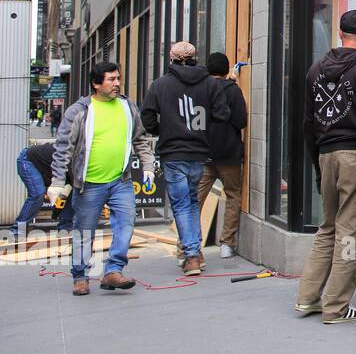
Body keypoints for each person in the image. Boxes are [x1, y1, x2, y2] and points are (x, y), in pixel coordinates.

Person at [297, 10, 356, 324]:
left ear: (339, 32)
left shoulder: (315, 69)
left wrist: (317, 165)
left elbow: (308, 122)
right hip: (355, 156)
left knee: (328, 227)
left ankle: (308, 297)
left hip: (325, 153)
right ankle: (336, 307)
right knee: (350, 232)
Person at [46, 61, 155, 296]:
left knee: (125, 225)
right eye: (111, 79)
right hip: (89, 185)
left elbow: (140, 139)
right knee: (85, 231)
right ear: (96, 84)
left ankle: (113, 271)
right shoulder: (79, 111)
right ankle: (81, 275)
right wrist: (56, 182)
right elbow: (63, 147)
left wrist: (148, 167)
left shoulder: (128, 106)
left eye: (118, 78)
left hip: (120, 181)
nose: (117, 83)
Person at [142, 41, 230, 276]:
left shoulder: (161, 85)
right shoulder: (210, 84)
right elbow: (223, 115)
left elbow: (147, 115)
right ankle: (196, 251)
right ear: (195, 59)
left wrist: (163, 129)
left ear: (171, 60)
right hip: (198, 152)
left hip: (173, 152)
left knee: (182, 205)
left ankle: (191, 254)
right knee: (190, 202)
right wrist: (203, 129)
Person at [194, 53, 248, 260]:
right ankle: (227, 244)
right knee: (233, 195)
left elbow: (196, 123)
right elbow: (240, 120)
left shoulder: (200, 92)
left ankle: (190, 246)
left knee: (194, 200)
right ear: (227, 71)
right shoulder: (233, 91)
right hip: (229, 153)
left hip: (204, 154)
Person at [9, 142, 73, 244]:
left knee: (70, 194)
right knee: (37, 194)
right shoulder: (73, 156)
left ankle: (65, 230)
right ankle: (17, 233)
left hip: (47, 167)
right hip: (28, 160)